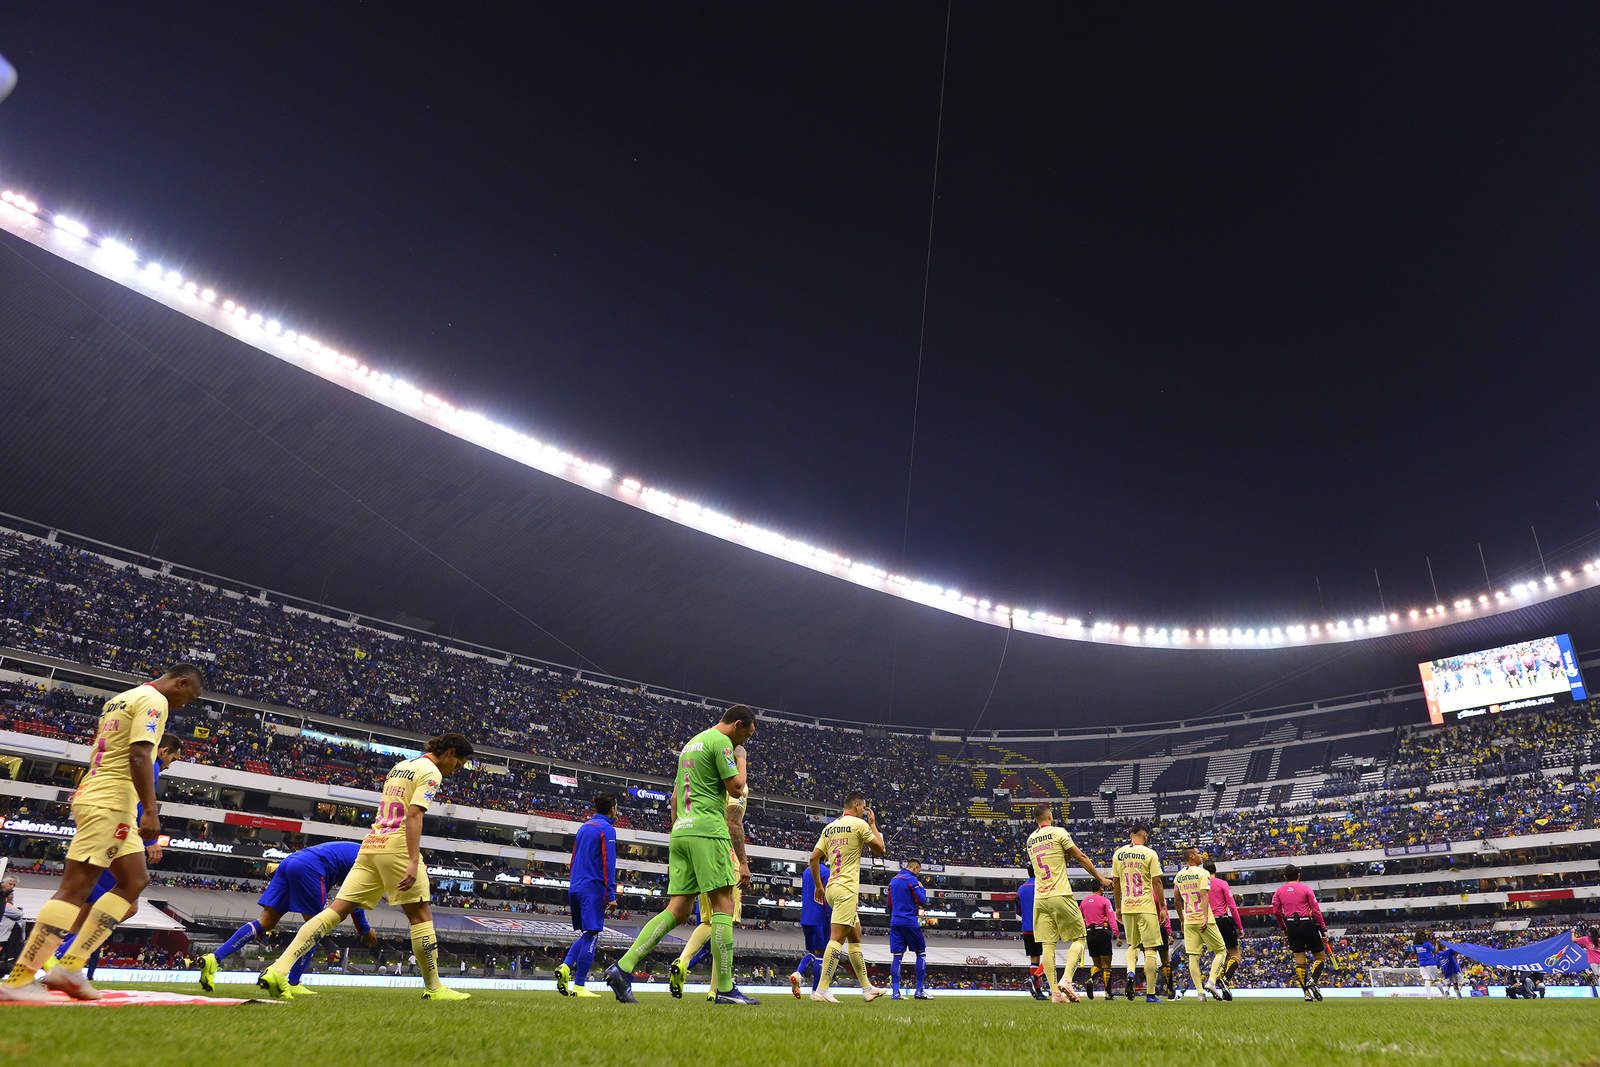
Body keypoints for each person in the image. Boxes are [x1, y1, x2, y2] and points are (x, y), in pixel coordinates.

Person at [0, 665, 204, 1003]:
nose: (185, 704)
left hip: (106, 799)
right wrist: (151, 810)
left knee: (134, 881)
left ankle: (69, 966)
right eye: (189, 696)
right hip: (109, 801)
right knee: (75, 888)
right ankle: (19, 980)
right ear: (180, 683)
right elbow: (139, 754)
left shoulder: (124, 698)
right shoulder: (155, 701)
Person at [256, 732, 475, 1001]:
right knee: (420, 916)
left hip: (372, 844)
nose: (455, 771)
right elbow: (414, 814)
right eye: (459, 764)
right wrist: (413, 859)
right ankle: (435, 988)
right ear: (451, 752)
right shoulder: (431, 772)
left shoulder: (402, 766)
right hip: (397, 847)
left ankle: (278, 969)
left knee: (333, 912)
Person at [603, 706, 758, 1006]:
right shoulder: (722, 743)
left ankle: (623, 968)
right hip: (708, 830)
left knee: (678, 910)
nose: (745, 742)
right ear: (738, 724)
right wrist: (740, 758)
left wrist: (680, 828)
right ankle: (725, 988)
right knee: (724, 904)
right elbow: (737, 789)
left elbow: (674, 797)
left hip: (681, 831)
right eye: (746, 735)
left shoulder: (691, 743)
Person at [50, 734, 184, 984]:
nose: (169, 764)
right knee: (128, 905)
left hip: (94, 819)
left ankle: (58, 953)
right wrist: (150, 840)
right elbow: (139, 804)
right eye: (172, 759)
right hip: (117, 832)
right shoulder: (150, 765)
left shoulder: (125, 757)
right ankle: (64, 952)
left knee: (84, 901)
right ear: (164, 750)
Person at [200, 839, 378, 993]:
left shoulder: (359, 850)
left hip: (290, 862)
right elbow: (352, 899)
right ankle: (292, 982)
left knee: (266, 922)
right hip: (311, 869)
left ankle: (214, 958)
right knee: (315, 928)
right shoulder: (369, 860)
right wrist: (364, 930)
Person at [669, 770, 749, 1002]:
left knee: (708, 921)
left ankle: (683, 961)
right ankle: (718, 989)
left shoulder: (701, 775)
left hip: (697, 847)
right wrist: (743, 862)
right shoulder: (736, 783)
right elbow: (733, 821)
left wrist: (676, 829)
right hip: (724, 854)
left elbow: (675, 799)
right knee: (724, 922)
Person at [1025, 803, 1111, 1004]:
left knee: (1048, 946)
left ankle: (1055, 993)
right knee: (1080, 938)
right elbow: (1079, 856)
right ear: (1050, 816)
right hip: (1060, 894)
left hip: (1041, 897)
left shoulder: (1030, 840)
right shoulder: (1058, 832)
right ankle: (1067, 980)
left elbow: (1052, 858)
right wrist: (1100, 878)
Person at [807, 793, 886, 1003]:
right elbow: (880, 850)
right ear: (858, 806)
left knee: (855, 936)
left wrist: (818, 886)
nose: (865, 811)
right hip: (847, 889)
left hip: (832, 888)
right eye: (864, 808)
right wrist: (873, 824)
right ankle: (822, 990)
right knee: (837, 938)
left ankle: (867, 988)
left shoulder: (829, 828)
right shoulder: (859, 824)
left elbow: (814, 858)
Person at [556, 793, 618, 998]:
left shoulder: (584, 827)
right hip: (593, 888)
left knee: (586, 934)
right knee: (592, 934)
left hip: (576, 885)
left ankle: (565, 968)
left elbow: (573, 859)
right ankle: (579, 985)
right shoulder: (607, 829)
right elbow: (608, 864)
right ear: (612, 809)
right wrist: (611, 895)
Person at [1111, 822, 1166, 1004]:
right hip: (1146, 906)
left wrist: (1118, 907)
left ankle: (1131, 972)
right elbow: (1157, 882)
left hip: (1128, 906)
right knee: (1150, 949)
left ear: (1130, 835)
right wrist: (1163, 907)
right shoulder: (1150, 853)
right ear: (1145, 836)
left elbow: (1116, 883)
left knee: (1132, 945)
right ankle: (1150, 995)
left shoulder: (1118, 854)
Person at [1172, 848, 1228, 1001]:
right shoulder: (1203, 873)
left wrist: (1182, 920)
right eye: (1197, 853)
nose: (1201, 855)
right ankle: (1211, 982)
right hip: (1204, 919)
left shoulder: (1179, 876)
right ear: (1191, 857)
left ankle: (1200, 993)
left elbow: (1177, 900)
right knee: (1221, 951)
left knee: (1193, 957)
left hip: (1189, 920)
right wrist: (1204, 917)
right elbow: (1203, 895)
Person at [1270, 864, 1327, 1003]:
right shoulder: (1306, 889)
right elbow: (1316, 910)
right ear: (1299, 875)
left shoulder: (1279, 892)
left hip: (1291, 925)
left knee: (1299, 961)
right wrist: (1324, 929)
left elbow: (1276, 912)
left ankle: (1306, 994)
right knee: (1320, 957)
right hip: (1307, 923)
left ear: (1285, 876)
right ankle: (1313, 980)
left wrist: (1284, 928)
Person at [789, 858, 833, 997]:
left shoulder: (806, 871)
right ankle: (815, 991)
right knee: (821, 956)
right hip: (820, 917)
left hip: (806, 917)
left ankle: (798, 973)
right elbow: (827, 896)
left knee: (813, 953)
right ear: (825, 856)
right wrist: (831, 916)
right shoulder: (825, 871)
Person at [887, 860, 930, 1000]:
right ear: (915, 867)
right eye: (918, 870)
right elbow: (922, 900)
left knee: (897, 957)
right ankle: (919, 991)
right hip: (909, 921)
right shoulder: (912, 880)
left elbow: (889, 905)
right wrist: (922, 888)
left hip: (895, 921)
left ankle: (895, 993)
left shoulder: (893, 881)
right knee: (921, 952)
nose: (918, 873)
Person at [1202, 859, 1242, 995]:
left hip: (1208, 923)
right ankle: (1225, 979)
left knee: (1218, 955)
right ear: (1215, 870)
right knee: (1235, 954)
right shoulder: (1222, 883)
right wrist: (1240, 926)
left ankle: (1218, 984)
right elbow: (1232, 906)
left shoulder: (1201, 885)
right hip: (1222, 920)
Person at [1078, 886, 1119, 1000]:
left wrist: (1080, 933)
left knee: (1097, 965)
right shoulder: (1105, 900)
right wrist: (1116, 934)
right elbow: (1111, 918)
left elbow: (1079, 918)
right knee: (1106, 965)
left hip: (1090, 934)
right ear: (1100, 888)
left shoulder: (1084, 902)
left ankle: (1091, 979)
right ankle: (1108, 994)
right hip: (1102, 933)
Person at [1016, 876, 1046, 999]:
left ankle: (1037, 990)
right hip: (1041, 926)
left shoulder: (1021, 889)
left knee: (1034, 959)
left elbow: (1018, 912)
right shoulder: (1041, 886)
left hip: (1027, 927)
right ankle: (1035, 979)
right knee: (1050, 956)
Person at [1412, 931, 1446, 998]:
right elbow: (1435, 951)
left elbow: (1416, 956)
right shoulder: (1427, 944)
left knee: (1426, 979)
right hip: (1430, 963)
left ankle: (1429, 996)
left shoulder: (1415, 946)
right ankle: (1444, 994)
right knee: (1435, 979)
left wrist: (1418, 963)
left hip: (1422, 964)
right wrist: (1437, 943)